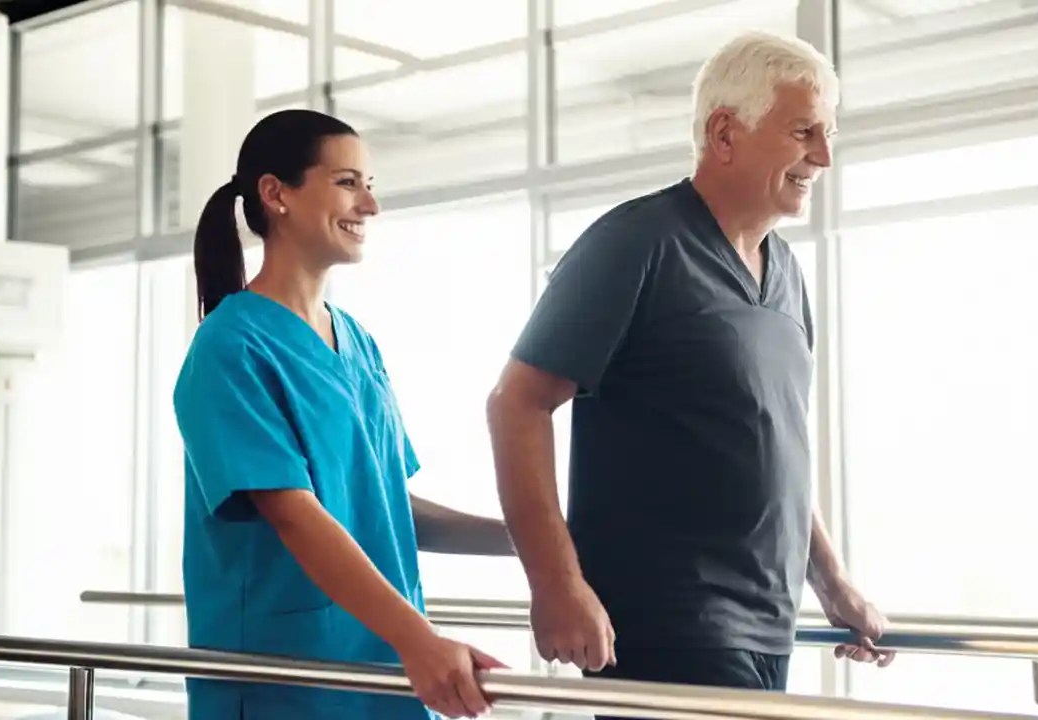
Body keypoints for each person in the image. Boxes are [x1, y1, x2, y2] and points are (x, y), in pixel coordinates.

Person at [486, 31, 894, 705]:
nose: (823, 156)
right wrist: (555, 585)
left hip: (768, 626)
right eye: (802, 132)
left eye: (828, 134)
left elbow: (773, 446)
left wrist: (831, 579)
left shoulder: (785, 269)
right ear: (725, 133)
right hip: (667, 626)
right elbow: (516, 404)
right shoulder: (635, 244)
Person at [174, 109, 514, 720]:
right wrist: (418, 640)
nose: (370, 207)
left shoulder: (357, 342)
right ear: (275, 194)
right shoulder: (230, 348)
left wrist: (537, 543)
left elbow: (385, 506)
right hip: (290, 681)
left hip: (382, 673)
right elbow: (297, 515)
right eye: (348, 183)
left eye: (370, 186)